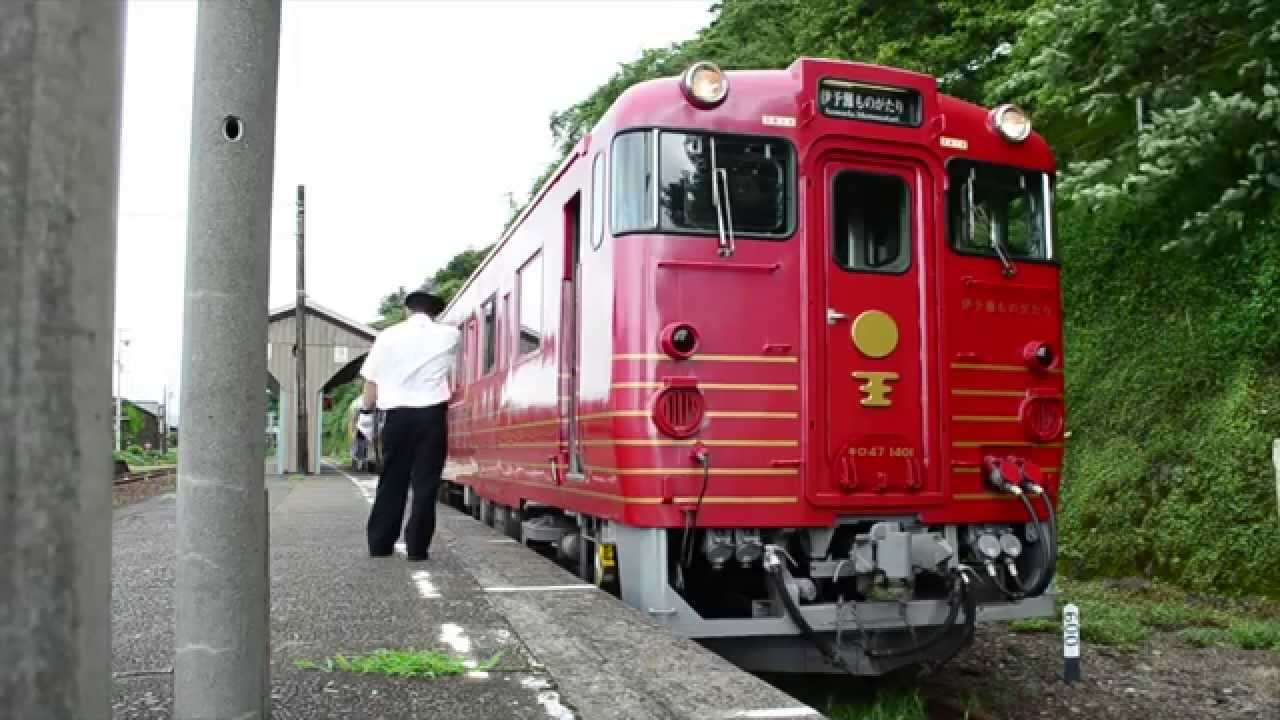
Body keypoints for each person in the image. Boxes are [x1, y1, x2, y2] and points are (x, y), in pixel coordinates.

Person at [357, 282, 459, 561]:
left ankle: (380, 543)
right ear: (435, 311)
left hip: (397, 416)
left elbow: (372, 382)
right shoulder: (450, 335)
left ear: (407, 309)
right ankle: (417, 548)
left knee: (392, 479)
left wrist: (366, 414)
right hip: (432, 415)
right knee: (426, 482)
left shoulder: (388, 336)